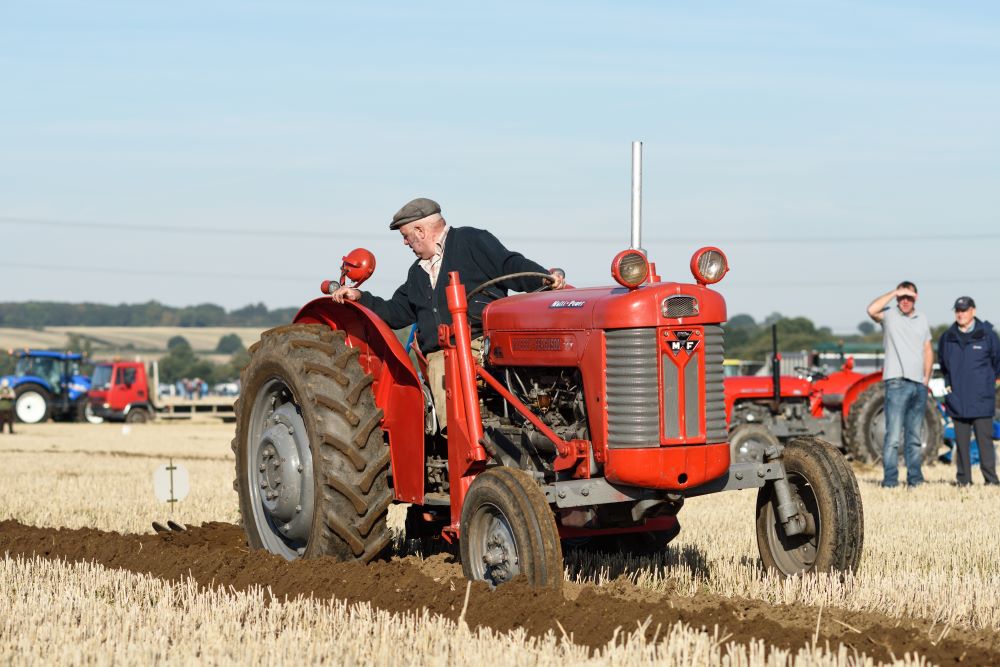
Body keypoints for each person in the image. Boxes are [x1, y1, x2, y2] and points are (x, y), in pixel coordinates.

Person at [331, 197, 565, 429]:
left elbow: (510, 265)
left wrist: (544, 279)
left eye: (405, 235)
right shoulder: (417, 273)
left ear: (420, 231)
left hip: (483, 343)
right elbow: (396, 312)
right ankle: (458, 439)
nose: (405, 243)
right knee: (444, 366)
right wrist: (362, 298)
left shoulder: (471, 241)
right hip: (443, 356)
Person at [867, 281, 933, 487]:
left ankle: (915, 479)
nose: (905, 301)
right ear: (897, 298)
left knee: (914, 436)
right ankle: (890, 481)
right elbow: (871, 309)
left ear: (916, 298)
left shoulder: (922, 318)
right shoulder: (889, 315)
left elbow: (927, 348)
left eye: (909, 297)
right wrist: (895, 291)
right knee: (893, 436)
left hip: (918, 384)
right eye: (901, 297)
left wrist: (926, 378)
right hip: (896, 382)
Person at [937, 296, 1000, 486]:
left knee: (985, 442)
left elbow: (997, 364)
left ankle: (991, 480)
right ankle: (964, 480)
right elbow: (943, 365)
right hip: (957, 399)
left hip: (982, 398)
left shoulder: (988, 335)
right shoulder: (947, 337)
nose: (960, 314)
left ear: (973, 311)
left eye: (964, 310)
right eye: (957, 310)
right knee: (962, 444)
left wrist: (987, 384)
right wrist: (950, 387)